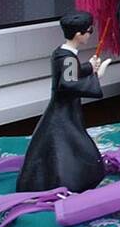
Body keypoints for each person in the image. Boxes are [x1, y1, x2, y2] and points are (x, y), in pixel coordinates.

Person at [16, 11, 112, 193]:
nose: (90, 34)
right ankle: (70, 181)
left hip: (64, 110)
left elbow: (69, 73)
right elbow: (68, 84)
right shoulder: (67, 57)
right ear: (78, 34)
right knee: (72, 144)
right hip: (63, 112)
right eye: (89, 30)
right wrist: (96, 77)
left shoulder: (62, 53)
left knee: (63, 144)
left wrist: (88, 67)